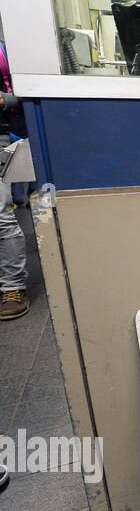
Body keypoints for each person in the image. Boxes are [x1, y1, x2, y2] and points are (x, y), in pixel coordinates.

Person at [1, 40, 27, 322]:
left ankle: (13, 286)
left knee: (1, 216)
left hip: (4, 133)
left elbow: (22, 93)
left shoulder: (5, 52)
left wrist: (4, 99)